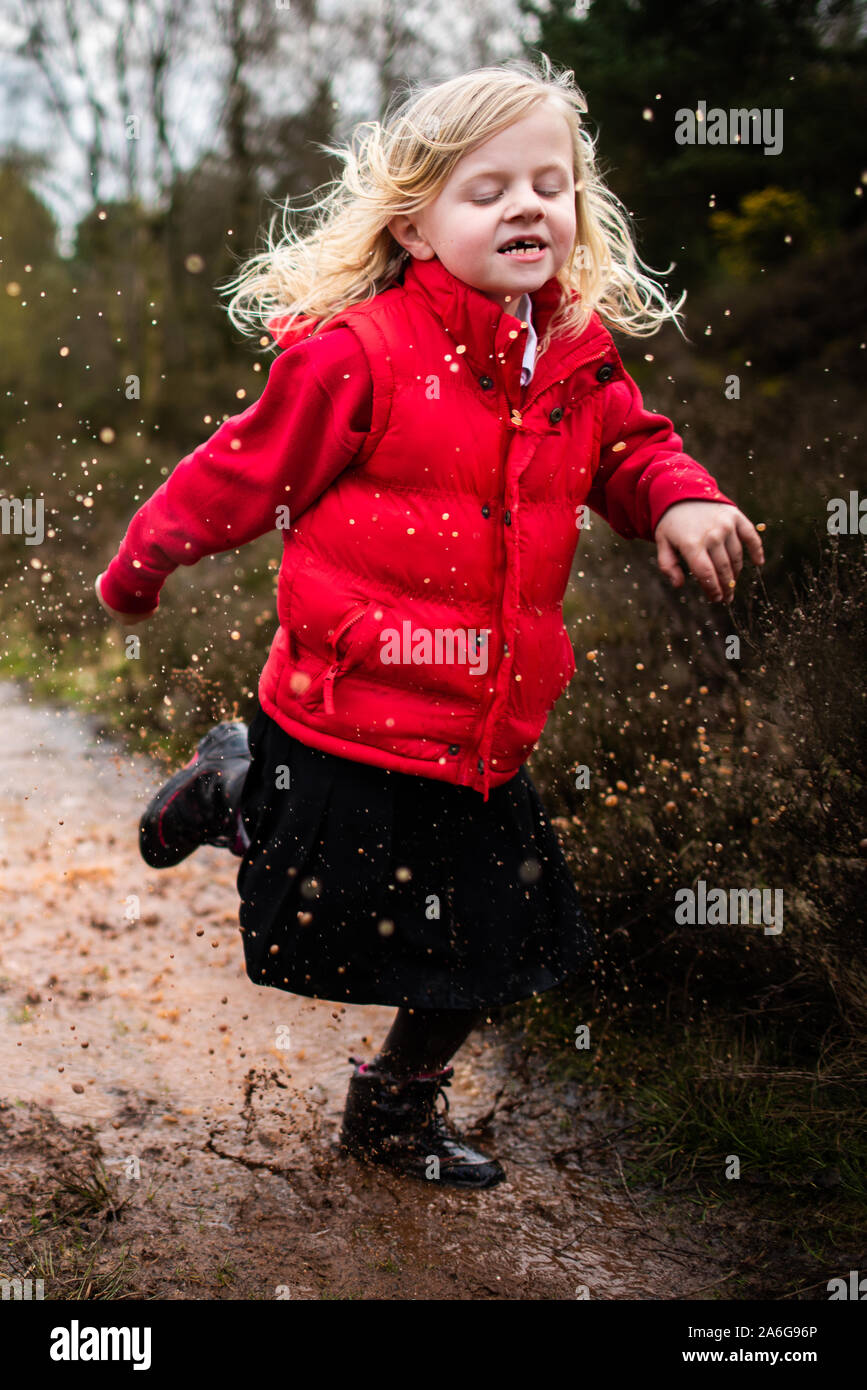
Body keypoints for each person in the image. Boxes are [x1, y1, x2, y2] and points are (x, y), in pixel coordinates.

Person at [94, 56, 764, 1191]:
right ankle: (244, 792)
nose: (526, 207)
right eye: (487, 188)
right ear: (415, 224)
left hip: (487, 731)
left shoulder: (575, 358)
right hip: (347, 712)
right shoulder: (359, 355)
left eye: (548, 184)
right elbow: (235, 476)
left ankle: (391, 1116)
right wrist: (137, 570)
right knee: (326, 917)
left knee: (501, 947)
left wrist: (683, 491)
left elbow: (630, 447)